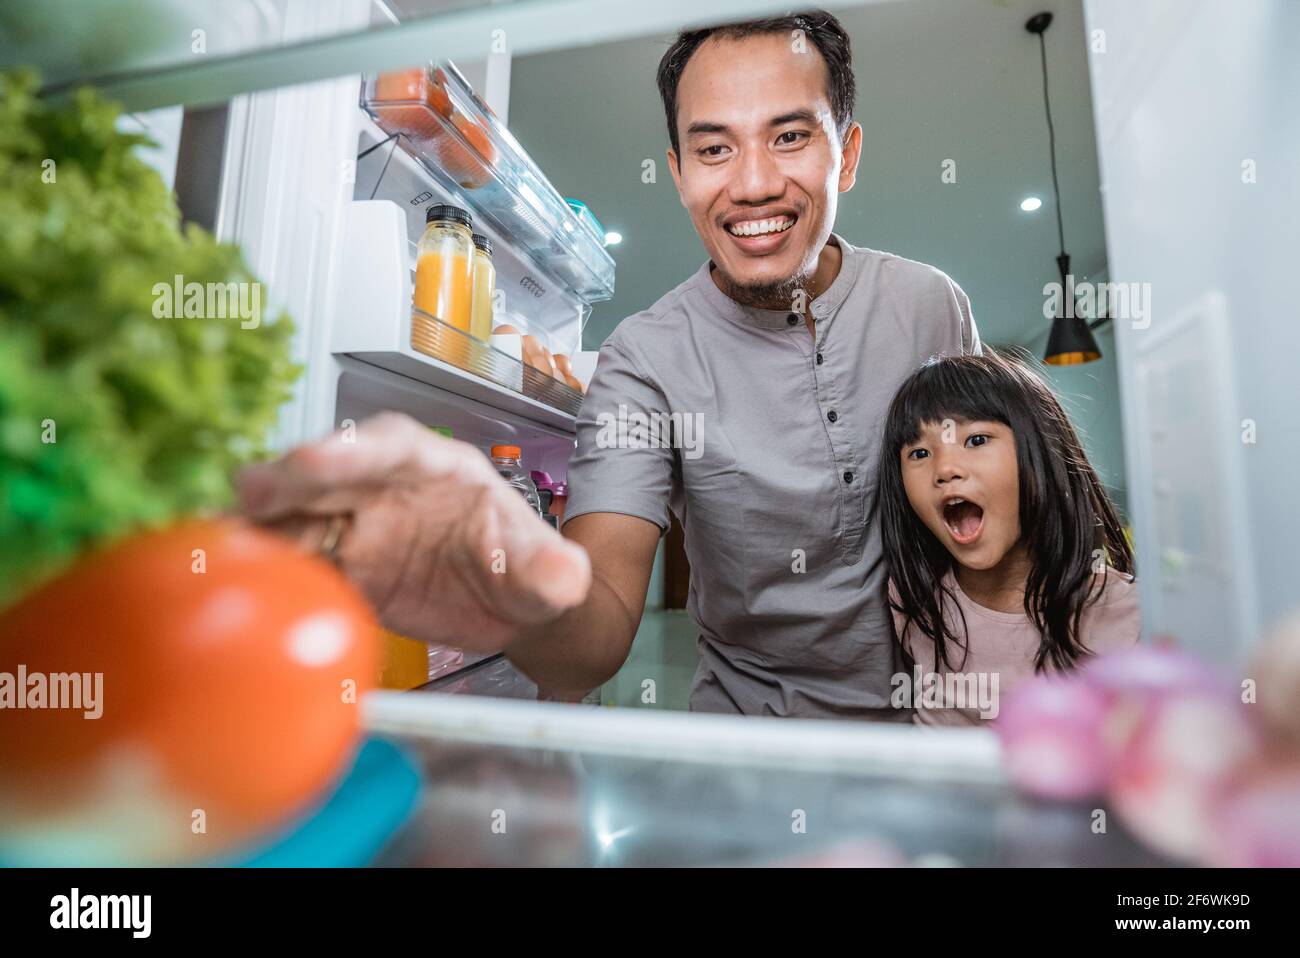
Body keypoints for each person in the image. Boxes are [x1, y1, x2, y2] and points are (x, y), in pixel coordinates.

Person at [241, 9, 979, 719]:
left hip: (945, 732)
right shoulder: (645, 361)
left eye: (789, 137)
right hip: (751, 754)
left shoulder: (930, 308)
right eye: (714, 148)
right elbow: (591, 641)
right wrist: (500, 571)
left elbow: (1005, 528)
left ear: (845, 154)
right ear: (680, 172)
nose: (752, 183)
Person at [879, 352, 1140, 726]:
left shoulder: (1126, 614)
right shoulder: (913, 598)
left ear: (1040, 454)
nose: (946, 469)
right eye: (919, 453)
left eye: (976, 439)